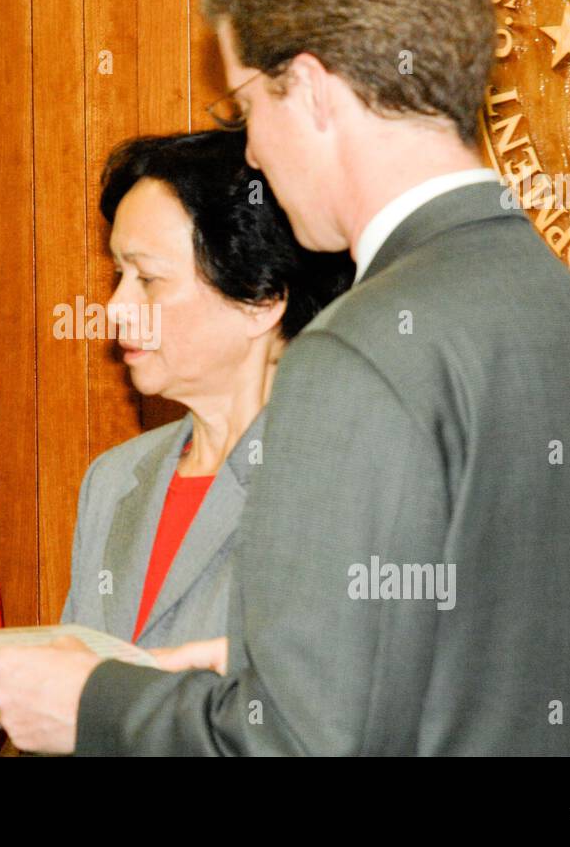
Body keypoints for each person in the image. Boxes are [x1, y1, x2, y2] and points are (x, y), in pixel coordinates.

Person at [0, 0, 570, 756]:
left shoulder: (358, 352)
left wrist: (96, 706)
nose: (251, 155)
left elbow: (302, 749)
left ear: (307, 89)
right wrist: (265, 669)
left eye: (244, 111)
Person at [62, 130, 352, 649]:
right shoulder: (113, 480)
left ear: (261, 300)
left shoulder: (338, 484)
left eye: (147, 279)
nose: (114, 308)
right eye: (118, 275)